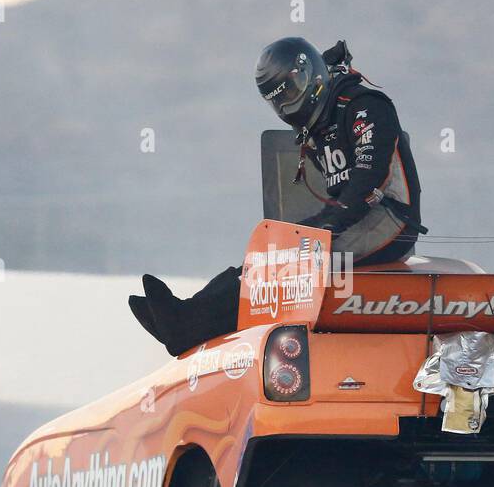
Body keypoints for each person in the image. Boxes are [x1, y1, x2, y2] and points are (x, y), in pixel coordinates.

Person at [130, 38, 424, 355]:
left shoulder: (364, 105)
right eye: (280, 101)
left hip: (389, 218)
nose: (289, 107)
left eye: (292, 94)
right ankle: (183, 315)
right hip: (352, 216)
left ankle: (187, 326)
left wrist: (332, 223)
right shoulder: (320, 121)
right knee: (266, 256)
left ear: (310, 77)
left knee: (284, 265)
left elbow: (371, 174)